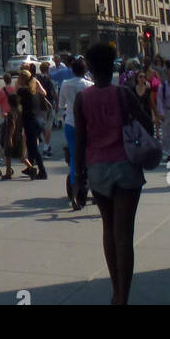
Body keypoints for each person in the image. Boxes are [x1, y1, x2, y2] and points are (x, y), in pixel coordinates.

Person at [73, 42, 153, 306]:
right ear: (113, 66)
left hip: (97, 168)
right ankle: (123, 297)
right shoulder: (123, 94)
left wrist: (78, 180)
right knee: (124, 233)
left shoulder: (82, 99)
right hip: (126, 166)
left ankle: (115, 289)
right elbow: (146, 123)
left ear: (91, 68)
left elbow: (80, 141)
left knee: (108, 227)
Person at [59, 56, 91, 206]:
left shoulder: (65, 84)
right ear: (85, 70)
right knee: (90, 155)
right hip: (86, 124)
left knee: (73, 156)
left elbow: (61, 104)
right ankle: (92, 184)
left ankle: (74, 191)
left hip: (71, 122)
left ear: (72, 70)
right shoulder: (89, 85)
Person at [15, 70, 48, 180]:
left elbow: (15, 102)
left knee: (33, 148)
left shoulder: (23, 91)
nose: (18, 80)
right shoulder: (33, 90)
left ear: (23, 79)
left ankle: (42, 171)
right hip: (38, 120)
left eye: (19, 78)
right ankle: (31, 168)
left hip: (30, 121)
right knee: (30, 146)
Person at [37, 62, 56, 156]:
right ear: (48, 69)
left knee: (43, 126)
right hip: (48, 105)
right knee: (48, 127)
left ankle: (47, 146)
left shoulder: (37, 79)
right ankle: (46, 147)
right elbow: (54, 93)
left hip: (39, 106)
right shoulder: (49, 79)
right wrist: (56, 105)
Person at [132, 70, 159, 136]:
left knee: (148, 135)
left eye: (144, 77)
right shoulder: (132, 89)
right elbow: (130, 104)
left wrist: (154, 116)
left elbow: (151, 104)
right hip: (137, 115)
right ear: (137, 78)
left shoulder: (148, 90)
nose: (142, 78)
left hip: (147, 115)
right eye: (140, 76)